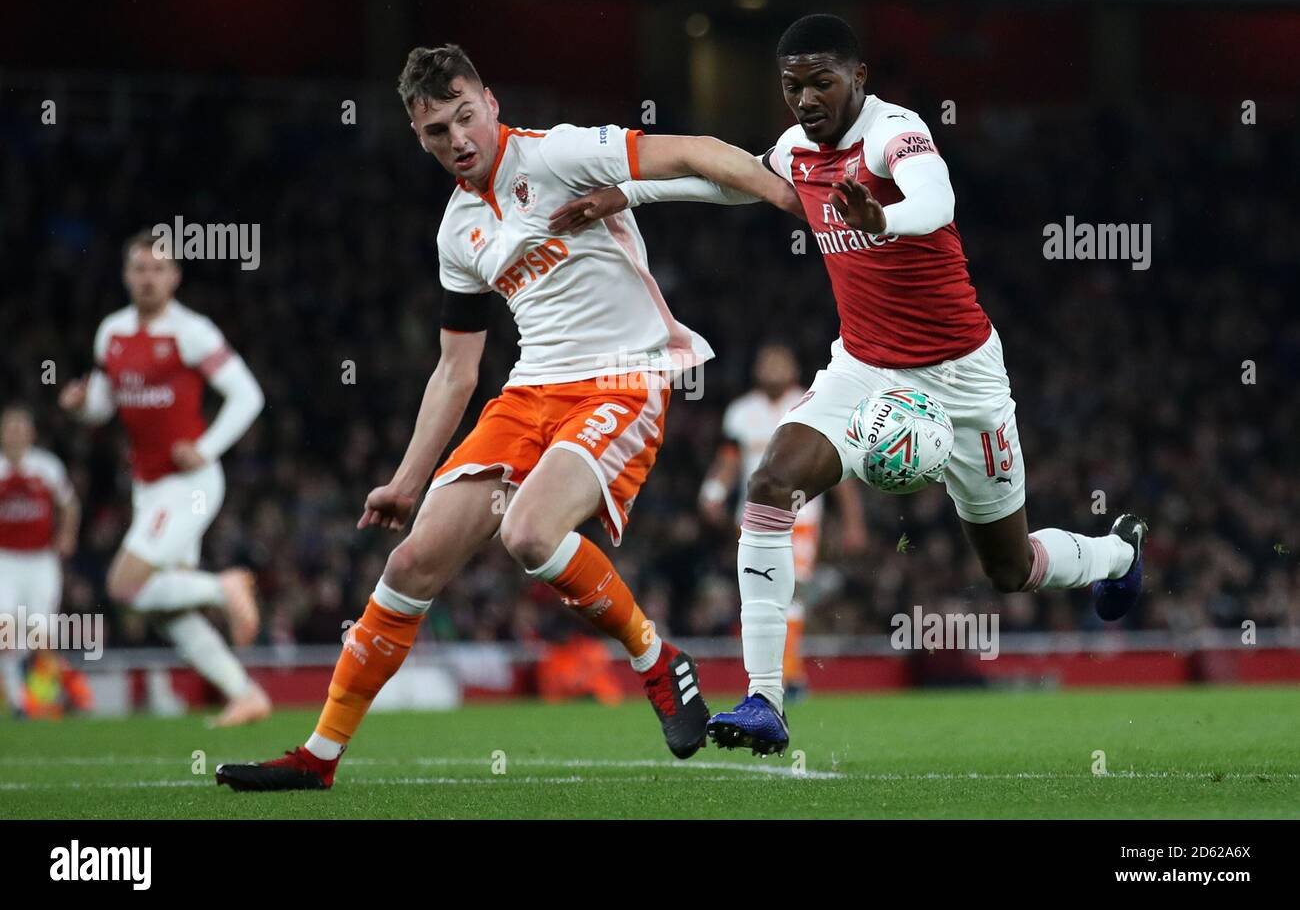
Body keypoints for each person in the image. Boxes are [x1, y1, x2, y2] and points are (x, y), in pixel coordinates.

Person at [548, 13, 1146, 755]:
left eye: (821, 80)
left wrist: (886, 217)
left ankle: (1117, 555)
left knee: (1010, 567)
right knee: (770, 481)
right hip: (863, 366)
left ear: (858, 78)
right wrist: (630, 197)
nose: (805, 97)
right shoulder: (800, 150)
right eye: (792, 84)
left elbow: (937, 199)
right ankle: (766, 696)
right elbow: (736, 183)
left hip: (963, 379)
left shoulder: (896, 134)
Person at [216, 42, 794, 790]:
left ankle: (655, 657)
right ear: (418, 137)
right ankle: (319, 756)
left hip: (620, 381)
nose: (457, 140)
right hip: (528, 394)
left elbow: (698, 151)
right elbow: (456, 369)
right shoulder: (457, 233)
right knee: (410, 563)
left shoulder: (559, 154)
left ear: (489, 102)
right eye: (435, 132)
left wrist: (791, 200)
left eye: (464, 117)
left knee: (527, 531)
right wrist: (403, 480)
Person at [60, 231, 268, 727]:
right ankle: (245, 694)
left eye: (158, 270)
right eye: (139, 269)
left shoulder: (191, 332)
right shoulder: (110, 333)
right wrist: (81, 406)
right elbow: (106, 404)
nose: (148, 279)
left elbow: (248, 395)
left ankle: (225, 586)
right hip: (149, 488)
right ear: (126, 275)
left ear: (175, 276)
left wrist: (206, 447)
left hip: (189, 485)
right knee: (164, 608)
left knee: (125, 585)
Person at [699, 343, 866, 697]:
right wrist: (713, 491)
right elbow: (728, 460)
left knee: (791, 592)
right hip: (752, 515)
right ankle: (773, 676)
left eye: (780, 362)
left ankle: (788, 676)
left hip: (801, 513)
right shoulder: (741, 412)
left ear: (793, 368)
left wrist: (853, 522)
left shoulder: (812, 402)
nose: (773, 368)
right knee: (760, 593)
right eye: (767, 362)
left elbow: (838, 467)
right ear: (756, 369)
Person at [0, 404, 79, 714]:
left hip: (41, 560)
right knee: (5, 627)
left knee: (40, 633)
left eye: (21, 427)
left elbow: (70, 504)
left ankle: (43, 698)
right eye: (10, 428)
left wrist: (67, 535)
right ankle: (19, 700)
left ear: (31, 433)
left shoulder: (47, 467)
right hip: (5, 559)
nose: (16, 433)